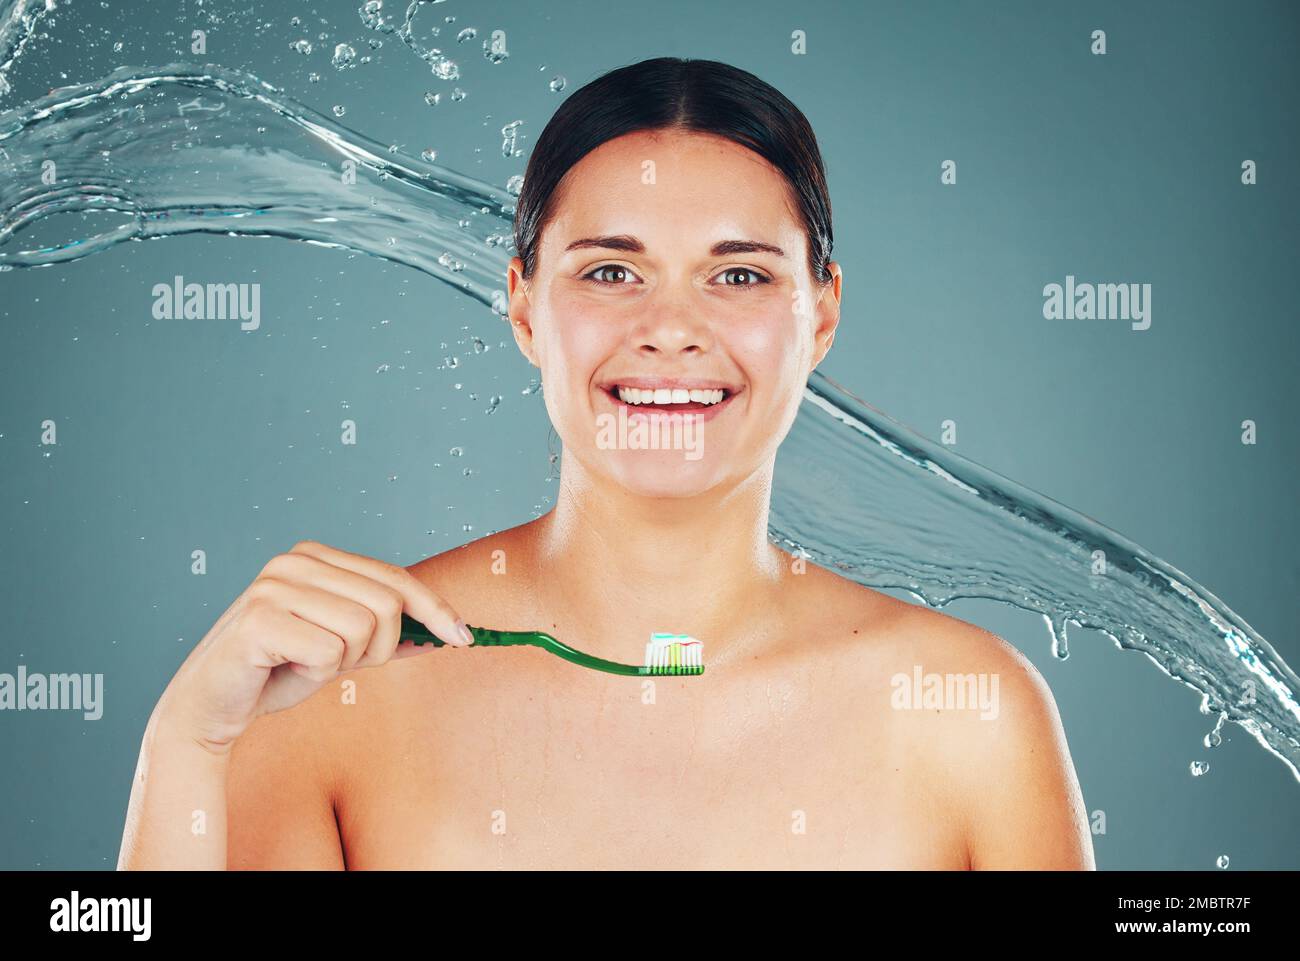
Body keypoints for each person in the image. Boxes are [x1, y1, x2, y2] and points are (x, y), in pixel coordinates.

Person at [119, 57, 1094, 870]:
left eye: (740, 274)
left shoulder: (968, 712)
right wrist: (184, 743)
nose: (670, 329)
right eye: (610, 272)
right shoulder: (333, 694)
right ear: (524, 304)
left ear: (822, 312)